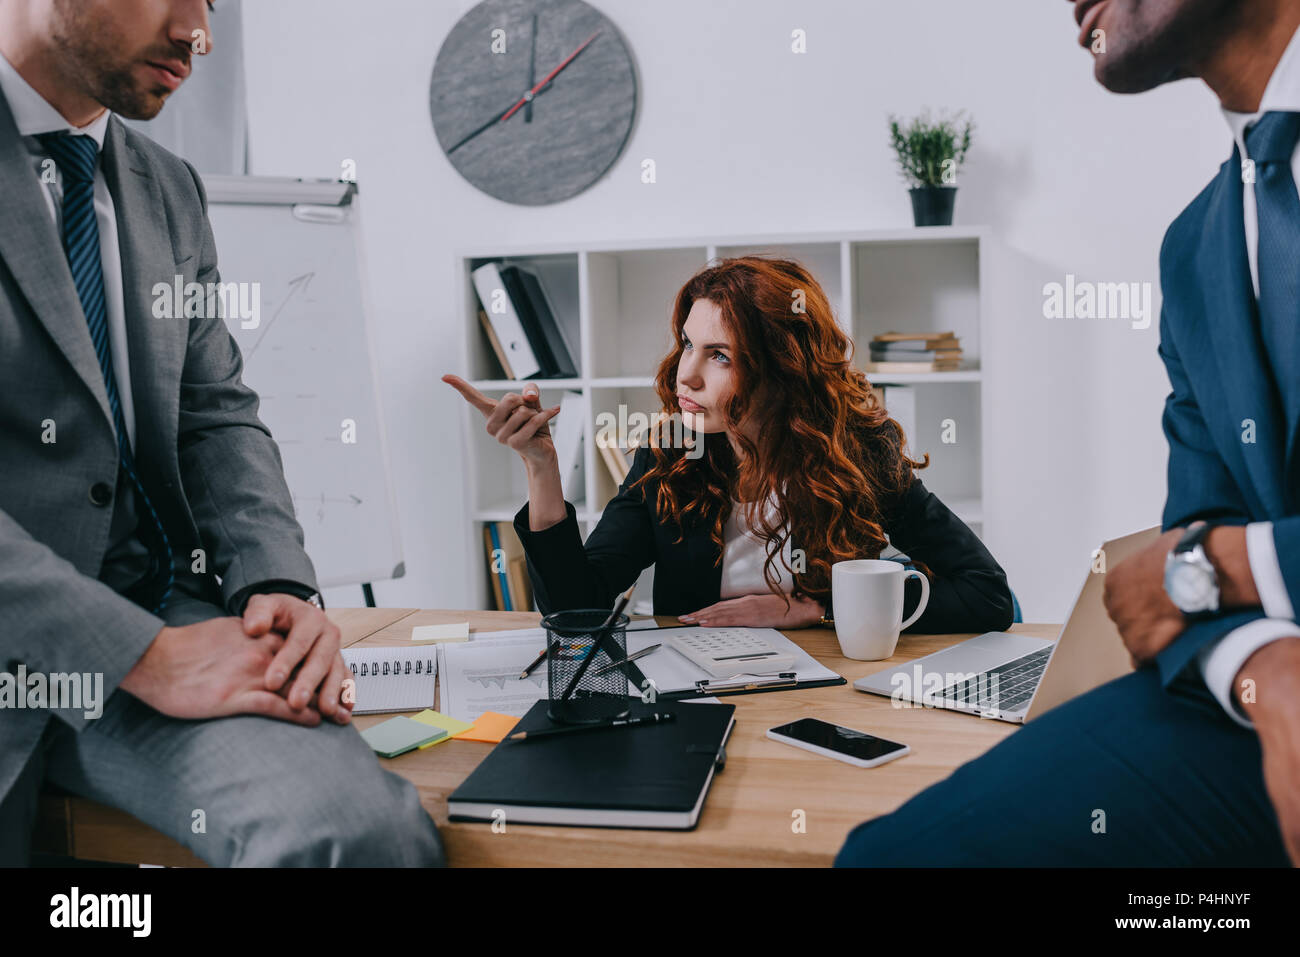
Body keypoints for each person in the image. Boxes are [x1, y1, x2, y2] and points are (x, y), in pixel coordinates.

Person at [836, 0, 1300, 866]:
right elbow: (1196, 535)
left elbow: (1196, 562)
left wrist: (1237, 568)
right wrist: (1267, 668)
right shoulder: (1195, 251)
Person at [0, 0, 442, 866]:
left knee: (358, 837)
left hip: (168, 620)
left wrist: (272, 580)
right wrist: (138, 654)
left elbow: (212, 410)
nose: (198, 30)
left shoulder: (169, 187)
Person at [446, 256, 1014, 634]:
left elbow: (987, 596)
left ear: (784, 371)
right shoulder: (671, 451)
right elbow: (575, 606)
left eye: (720, 355)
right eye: (688, 345)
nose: (684, 376)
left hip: (827, 693)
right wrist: (542, 468)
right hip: (698, 696)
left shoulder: (858, 453)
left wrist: (817, 610)